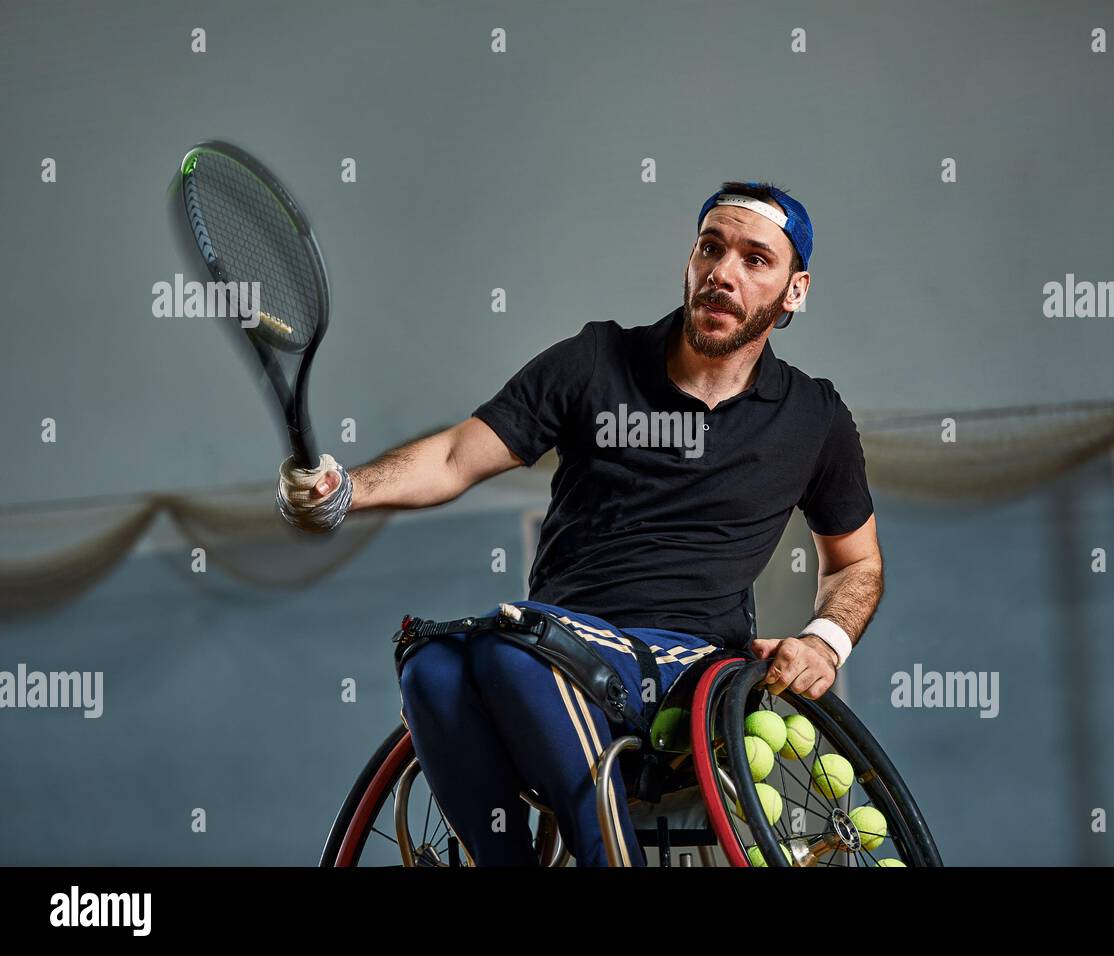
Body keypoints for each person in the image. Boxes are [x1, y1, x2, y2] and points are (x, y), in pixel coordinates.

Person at [276, 181, 883, 866]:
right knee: (432, 662)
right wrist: (348, 487)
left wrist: (825, 644)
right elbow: (451, 456)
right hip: (551, 642)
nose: (722, 272)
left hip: (685, 663)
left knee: (514, 648)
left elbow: (856, 563)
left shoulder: (813, 417)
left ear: (793, 291)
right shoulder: (595, 362)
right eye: (710, 248)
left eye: (754, 259)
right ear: (689, 261)